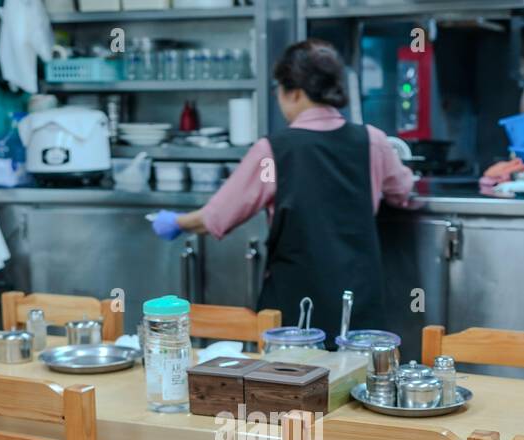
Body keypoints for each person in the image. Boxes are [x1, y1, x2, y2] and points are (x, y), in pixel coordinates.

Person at [150, 39, 414, 337]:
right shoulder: (373, 141)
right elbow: (403, 191)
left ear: (296, 93)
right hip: (357, 309)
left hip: (294, 310)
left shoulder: (273, 151)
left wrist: (175, 223)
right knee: (356, 380)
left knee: (289, 382)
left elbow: (217, 216)